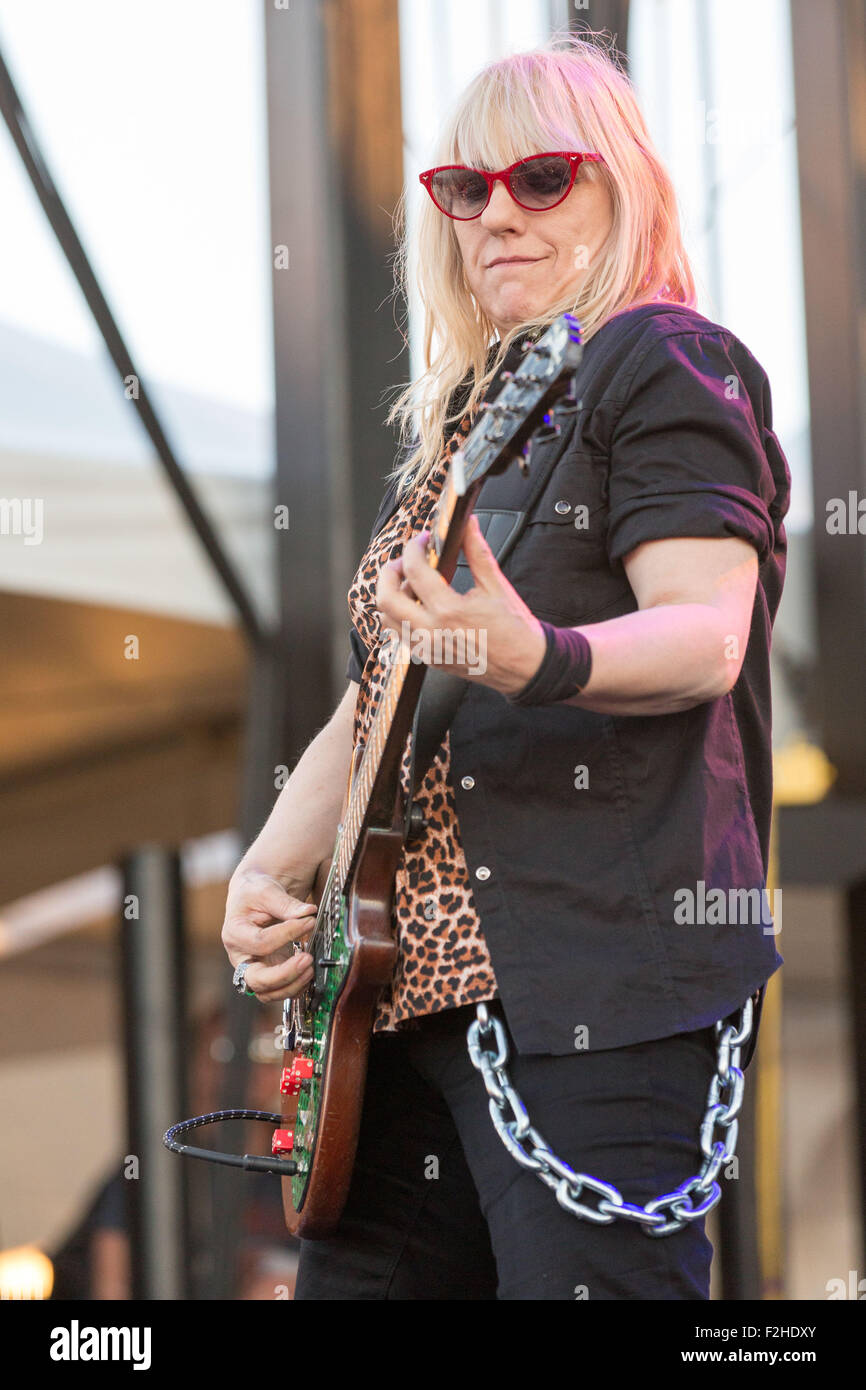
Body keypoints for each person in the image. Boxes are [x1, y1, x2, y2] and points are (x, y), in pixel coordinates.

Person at [221, 32, 790, 1300]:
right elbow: (375, 694)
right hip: (393, 1017)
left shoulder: (664, 360)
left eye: (541, 176)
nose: (495, 214)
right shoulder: (464, 429)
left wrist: (538, 654)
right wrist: (268, 866)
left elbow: (703, 631)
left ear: (623, 186)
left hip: (589, 990)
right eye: (461, 189)